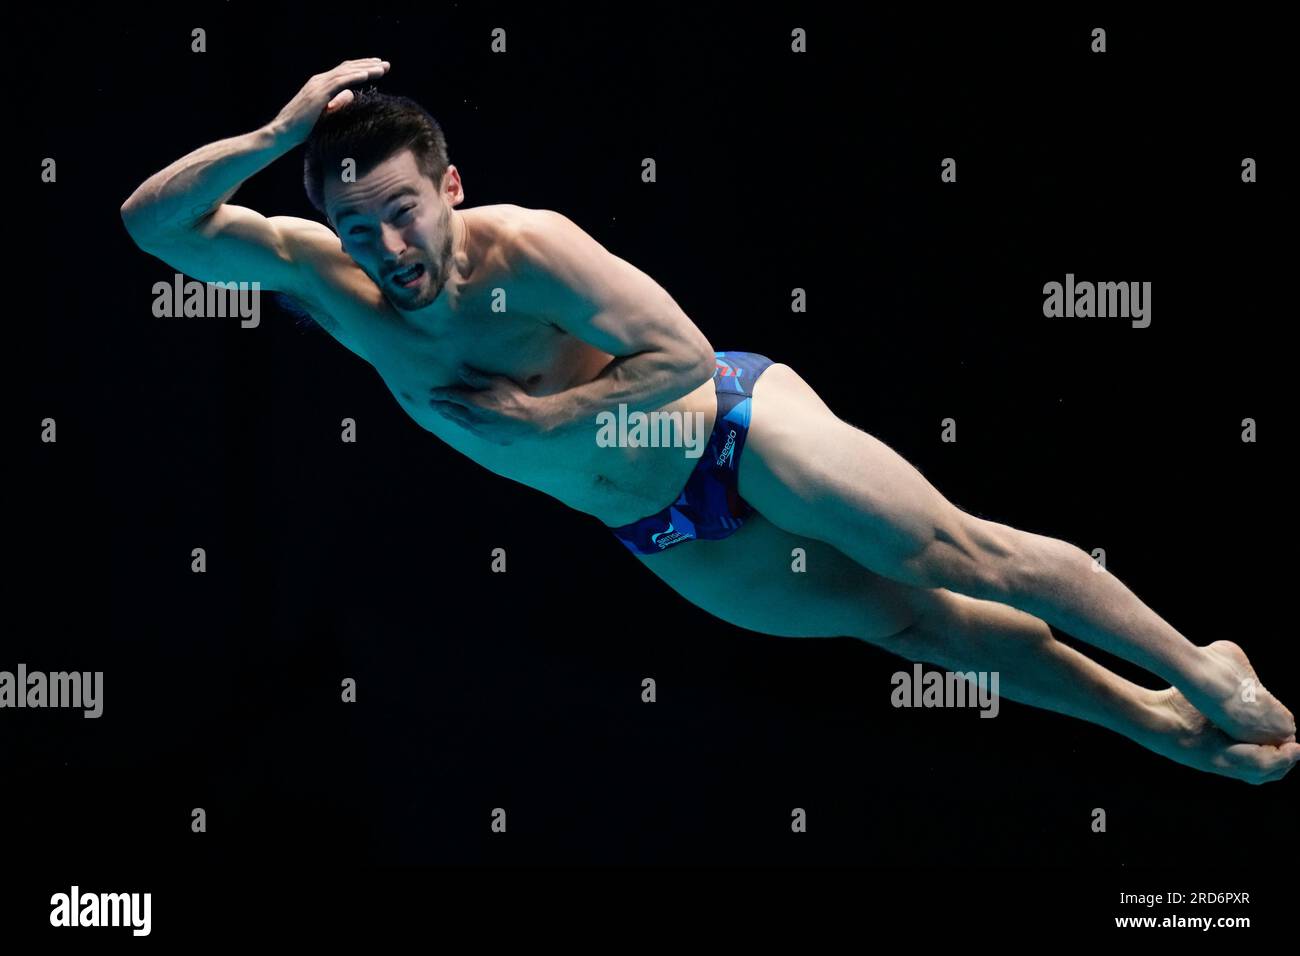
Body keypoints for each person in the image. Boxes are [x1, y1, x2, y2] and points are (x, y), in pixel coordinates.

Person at [121, 59, 1297, 784]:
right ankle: (1158, 726)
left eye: (402, 213)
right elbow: (152, 225)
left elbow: (676, 352)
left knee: (954, 549)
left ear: (450, 188)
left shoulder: (529, 246)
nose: (387, 248)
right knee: (922, 632)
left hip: (732, 427)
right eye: (356, 223)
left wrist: (549, 420)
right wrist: (280, 135)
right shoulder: (327, 277)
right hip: (672, 536)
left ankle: (1197, 667)